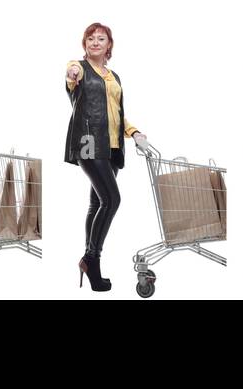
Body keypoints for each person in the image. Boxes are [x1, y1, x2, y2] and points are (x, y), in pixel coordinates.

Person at [63, 22, 148, 292]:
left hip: (111, 147)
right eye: (91, 38)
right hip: (88, 142)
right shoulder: (78, 67)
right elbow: (70, 76)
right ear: (85, 43)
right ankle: (91, 259)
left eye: (101, 39)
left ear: (109, 45)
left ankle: (91, 260)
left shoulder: (114, 77)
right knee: (112, 200)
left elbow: (117, 113)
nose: (96, 42)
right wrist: (73, 72)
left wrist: (134, 133)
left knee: (97, 203)